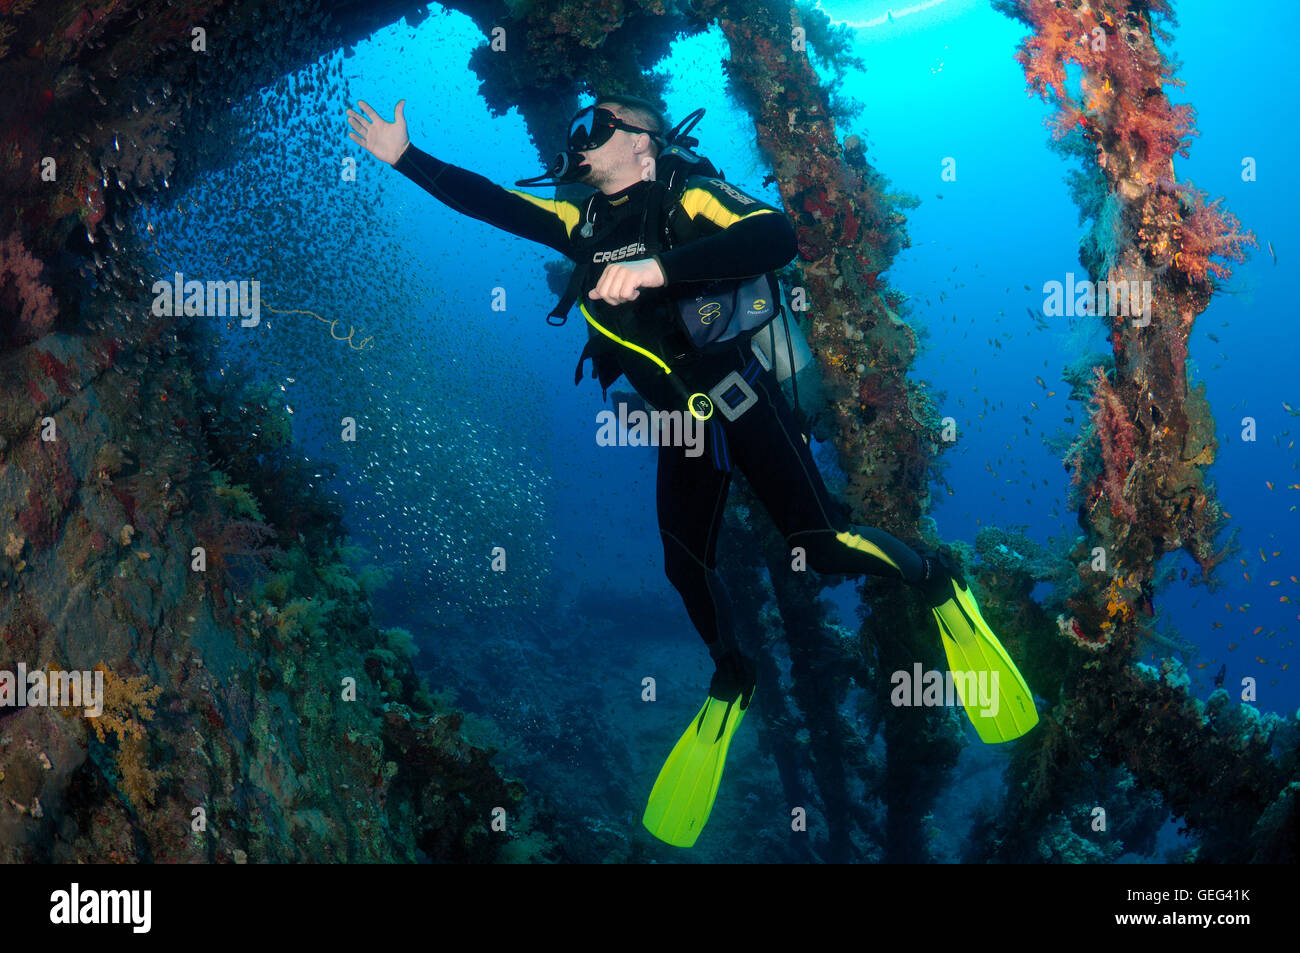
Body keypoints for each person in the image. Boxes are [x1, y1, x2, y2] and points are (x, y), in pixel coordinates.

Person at [346, 93, 1037, 848]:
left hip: (741, 396)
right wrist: (404, 157)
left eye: (599, 123)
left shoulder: (686, 192)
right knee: (684, 564)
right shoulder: (584, 220)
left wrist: (656, 268)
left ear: (644, 142)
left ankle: (937, 578)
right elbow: (490, 202)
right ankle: (733, 673)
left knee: (824, 543)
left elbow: (775, 236)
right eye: (578, 123)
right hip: (680, 424)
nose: (582, 135)